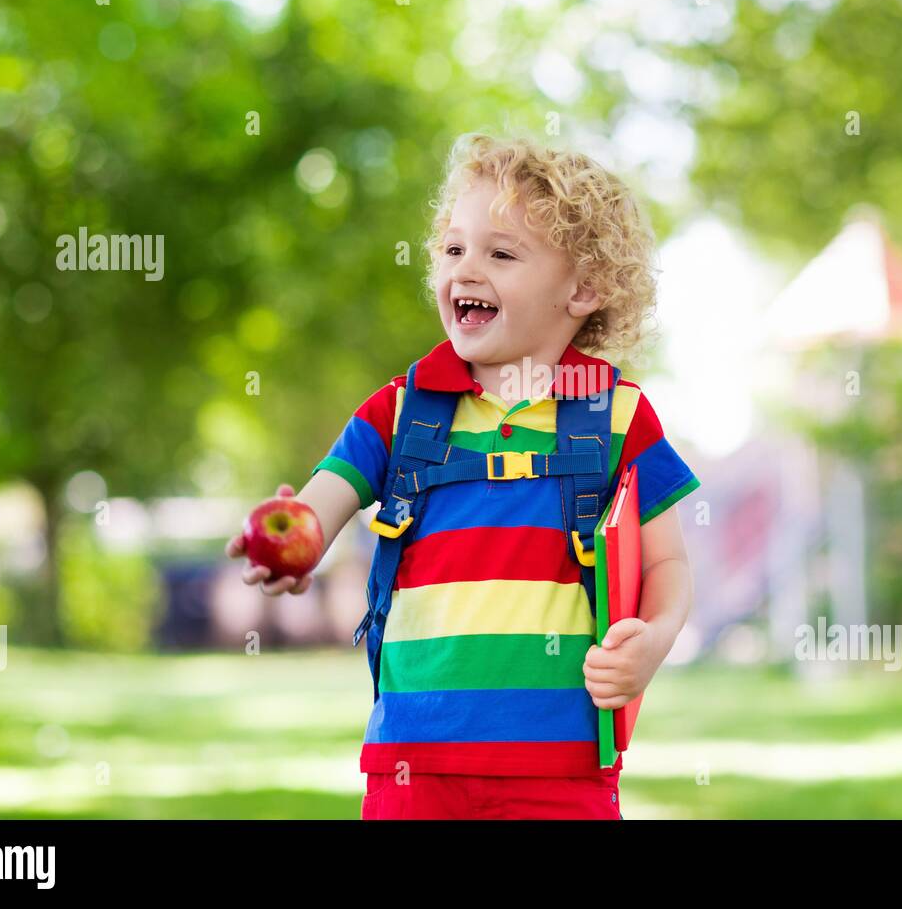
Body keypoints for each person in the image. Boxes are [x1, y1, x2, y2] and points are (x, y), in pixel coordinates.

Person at [226, 133, 700, 819]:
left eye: (501, 253)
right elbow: (315, 510)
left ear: (584, 289)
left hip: (563, 768)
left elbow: (670, 565)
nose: (466, 269)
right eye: (453, 249)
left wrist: (652, 641)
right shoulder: (398, 413)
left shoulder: (619, 416)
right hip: (413, 766)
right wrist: (294, 538)